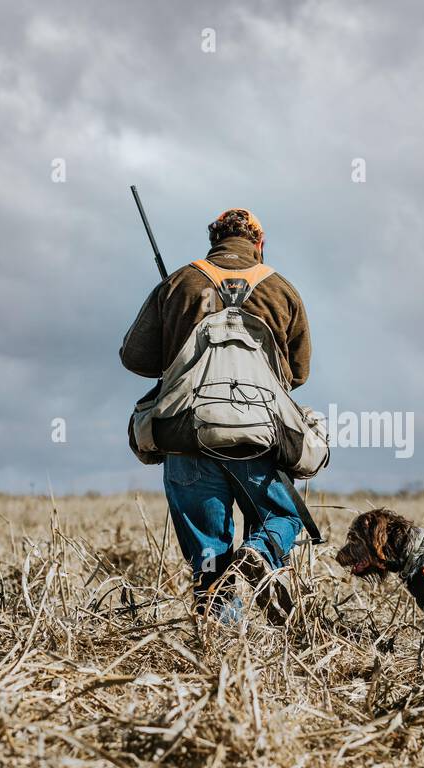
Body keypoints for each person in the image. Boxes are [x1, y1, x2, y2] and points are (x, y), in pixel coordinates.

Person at [120, 208, 312, 620]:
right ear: (259, 244)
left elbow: (135, 359)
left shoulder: (179, 282)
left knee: (208, 556)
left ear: (214, 240)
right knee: (283, 516)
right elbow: (297, 375)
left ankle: (222, 644)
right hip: (258, 440)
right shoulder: (282, 289)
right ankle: (260, 552)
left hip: (187, 435)